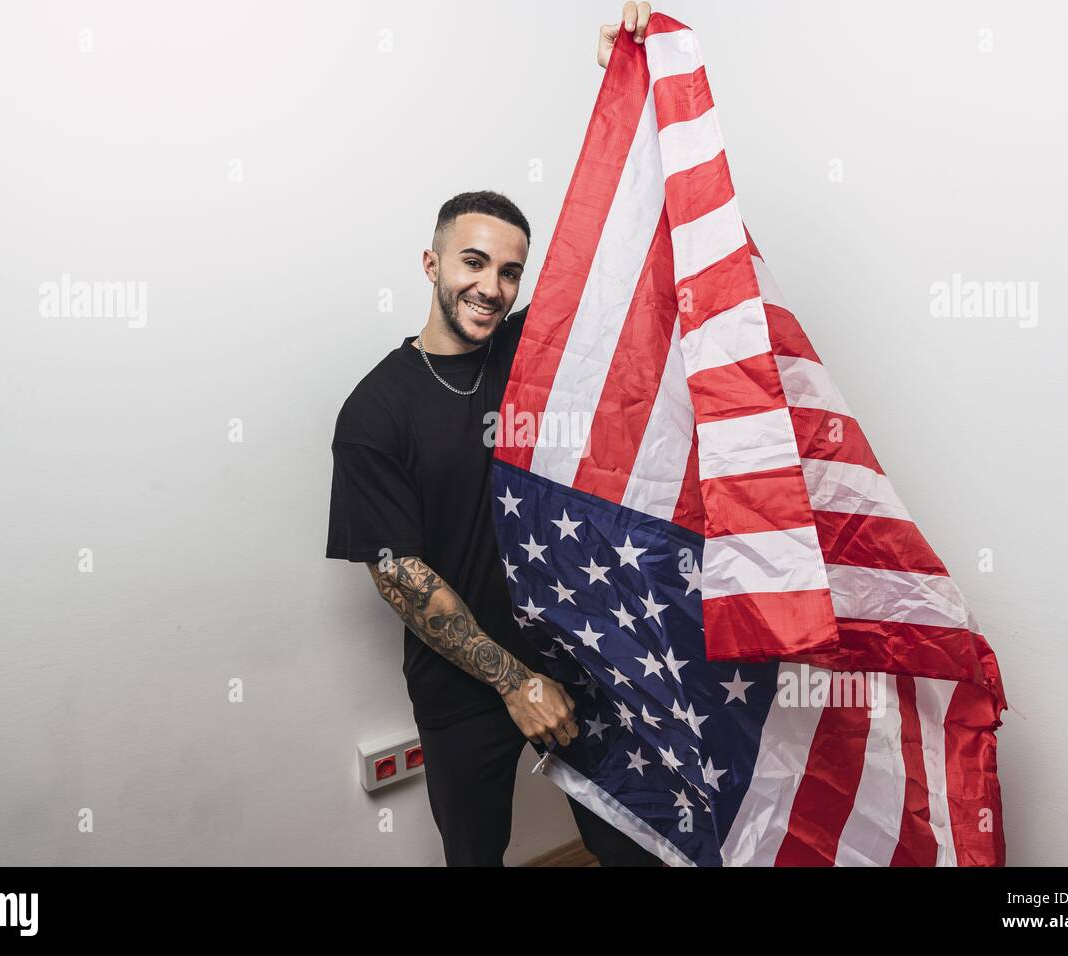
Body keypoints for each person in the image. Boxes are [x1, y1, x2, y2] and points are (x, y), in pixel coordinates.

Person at [325, 4, 664, 867]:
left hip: (573, 651)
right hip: (464, 688)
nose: (493, 286)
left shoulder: (526, 350)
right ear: (433, 264)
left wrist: (625, 86)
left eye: (510, 269)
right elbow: (397, 573)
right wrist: (513, 684)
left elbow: (622, 270)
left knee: (627, 843)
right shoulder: (374, 411)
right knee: (476, 856)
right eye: (474, 263)